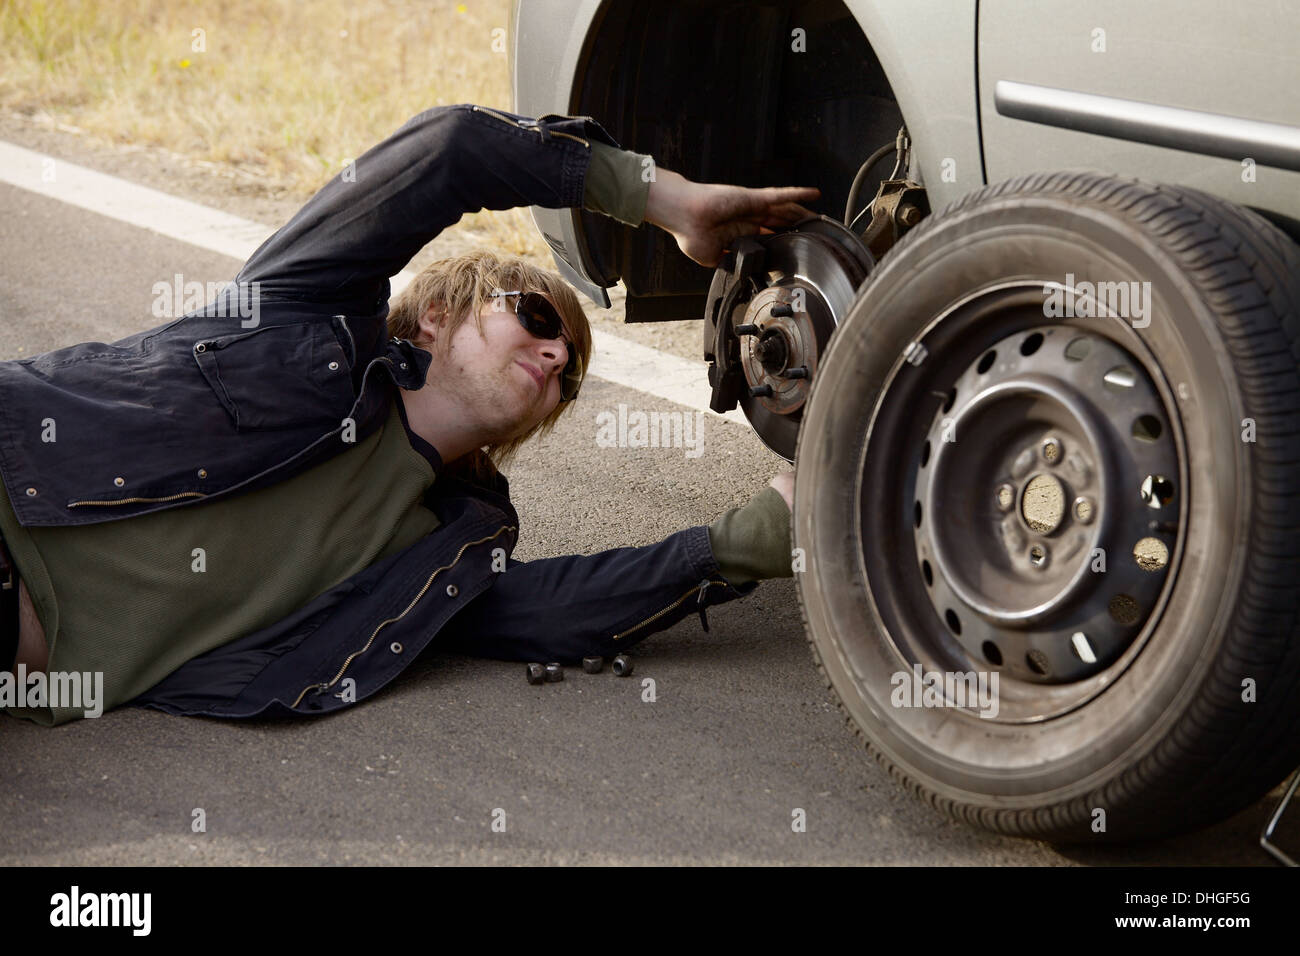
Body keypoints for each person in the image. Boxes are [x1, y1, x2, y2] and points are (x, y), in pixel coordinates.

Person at [0, 104, 818, 725]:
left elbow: (557, 608)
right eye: (536, 319)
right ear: (433, 315)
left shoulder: (450, 543)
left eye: (569, 370)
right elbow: (450, 150)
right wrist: (664, 201)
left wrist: (759, 534)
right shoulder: (297, 318)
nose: (558, 358)